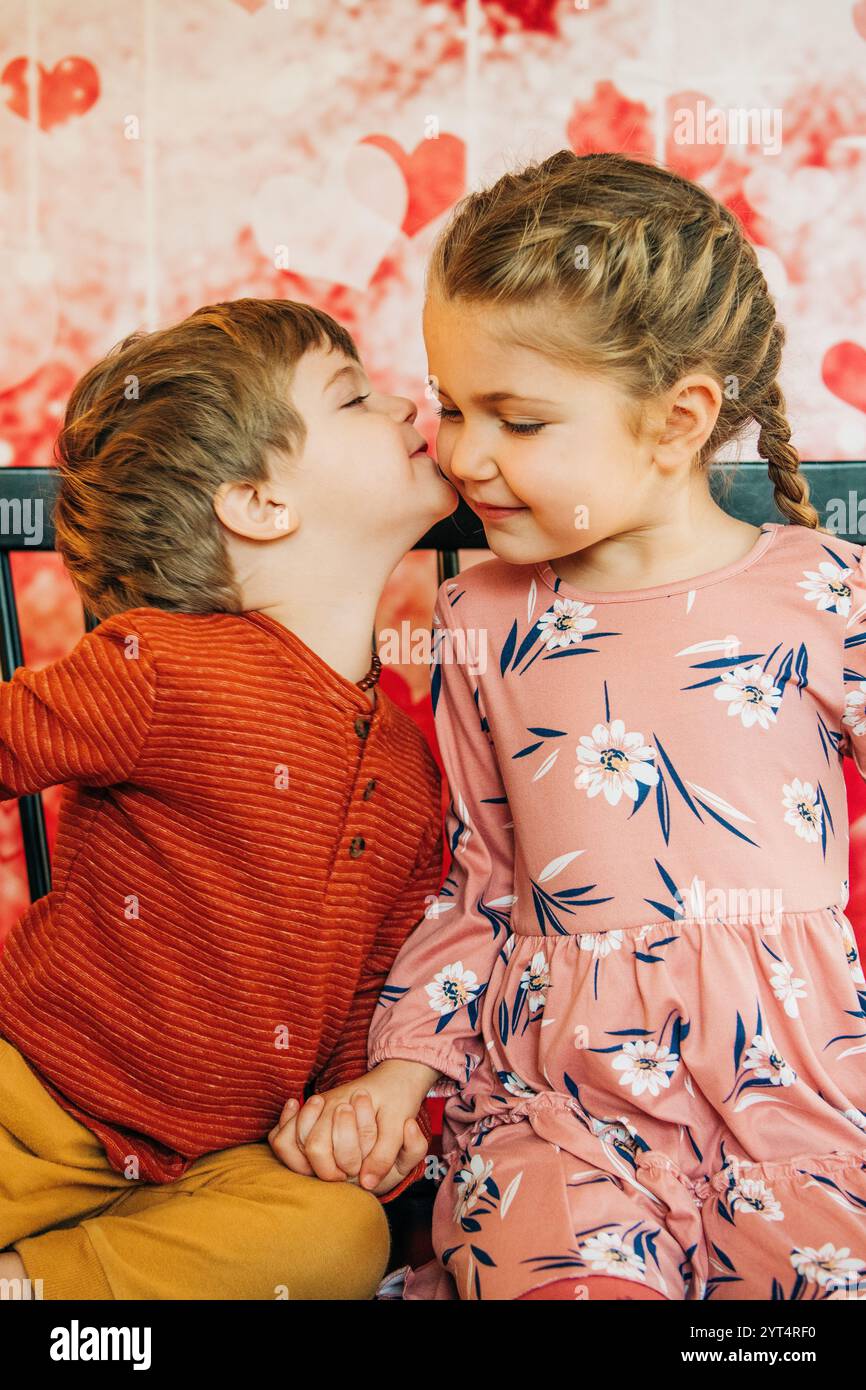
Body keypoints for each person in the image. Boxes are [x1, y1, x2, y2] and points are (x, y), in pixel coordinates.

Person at [286, 151, 866, 1300]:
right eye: (453, 406)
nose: (462, 454)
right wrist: (401, 1074)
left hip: (800, 1096)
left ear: (677, 419)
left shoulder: (819, 592)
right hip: (562, 1100)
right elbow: (481, 880)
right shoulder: (479, 615)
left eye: (520, 418)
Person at [0, 298, 456, 1300]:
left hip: (208, 1173)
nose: (402, 402)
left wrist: (353, 1126)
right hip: (28, 1107)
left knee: (338, 1237)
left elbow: (365, 996)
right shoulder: (164, 668)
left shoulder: (409, 767)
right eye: (353, 395)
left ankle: (35, 1286)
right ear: (256, 502)